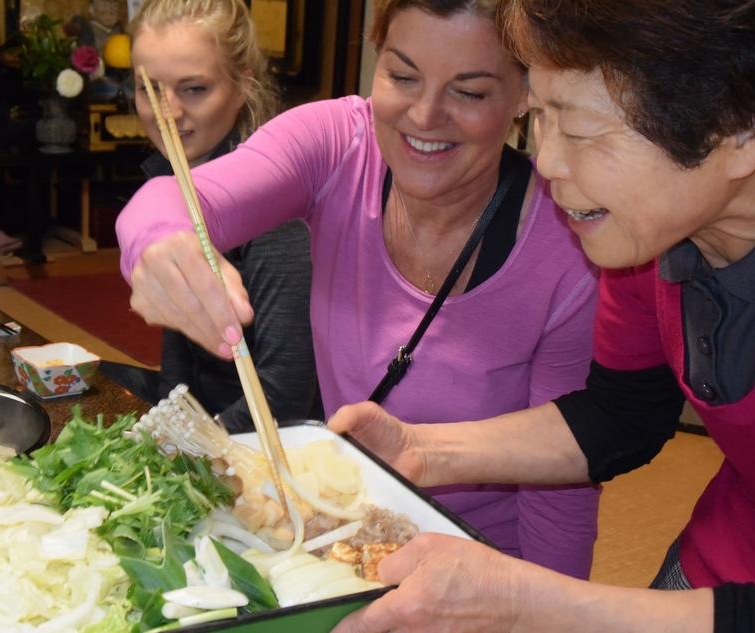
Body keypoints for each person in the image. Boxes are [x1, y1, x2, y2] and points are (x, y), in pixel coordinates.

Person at [327, 0, 755, 631]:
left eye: (579, 131)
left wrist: (524, 602)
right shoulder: (648, 237)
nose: (547, 163)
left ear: (739, 129)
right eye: (541, 119)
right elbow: (621, 414)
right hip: (737, 546)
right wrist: (422, 450)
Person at [118, 0, 601, 578]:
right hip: (342, 540)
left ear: (525, 92)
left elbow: (563, 474)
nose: (424, 116)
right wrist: (158, 242)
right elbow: (176, 199)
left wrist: (541, 605)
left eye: (469, 92)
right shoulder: (339, 143)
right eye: (402, 76)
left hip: (479, 564)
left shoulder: (567, 244)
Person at [99, 0, 318, 433]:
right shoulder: (171, 179)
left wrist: (195, 442)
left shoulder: (274, 204)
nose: (167, 112)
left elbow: (287, 394)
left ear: (242, 88)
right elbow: (178, 343)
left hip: (268, 431)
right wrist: (169, 421)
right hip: (203, 409)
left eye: (194, 89)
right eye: (149, 89)